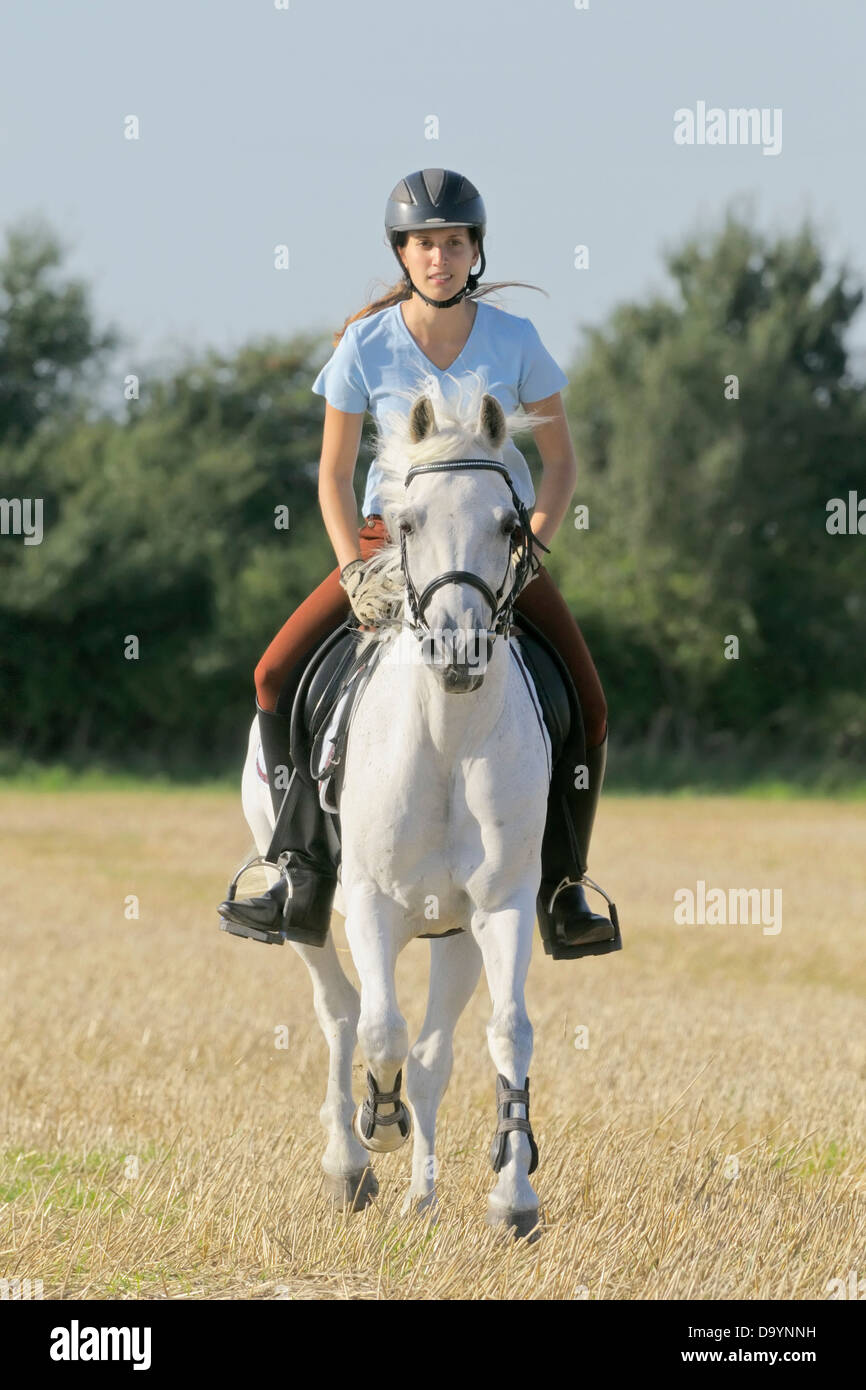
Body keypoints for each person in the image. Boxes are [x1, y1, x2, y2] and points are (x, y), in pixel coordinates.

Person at [218, 168, 618, 960]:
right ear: (403, 253)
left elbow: (562, 464)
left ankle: (564, 887)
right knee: (271, 675)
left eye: (454, 242)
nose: (440, 256)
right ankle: (296, 866)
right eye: (424, 243)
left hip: (495, 553)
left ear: (475, 250)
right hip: (385, 547)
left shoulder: (518, 341)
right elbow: (332, 475)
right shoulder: (364, 345)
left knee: (592, 703)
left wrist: (530, 545)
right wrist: (354, 570)